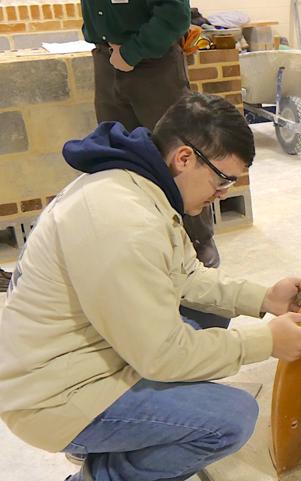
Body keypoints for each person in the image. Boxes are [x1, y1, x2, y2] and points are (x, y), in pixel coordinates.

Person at [0, 93, 301, 481]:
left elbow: (185, 278)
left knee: (208, 317)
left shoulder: (137, 184)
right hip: (54, 397)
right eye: (222, 180)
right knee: (231, 418)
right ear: (185, 158)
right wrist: (267, 342)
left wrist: (265, 299)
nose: (223, 193)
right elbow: (162, 355)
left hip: (78, 357)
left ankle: (115, 441)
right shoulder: (124, 221)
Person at [81, 0, 225, 327]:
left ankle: (198, 244)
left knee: (179, 155)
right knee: (118, 157)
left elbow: (174, 13)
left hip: (153, 64)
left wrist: (132, 52)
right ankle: (136, 246)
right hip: (106, 59)